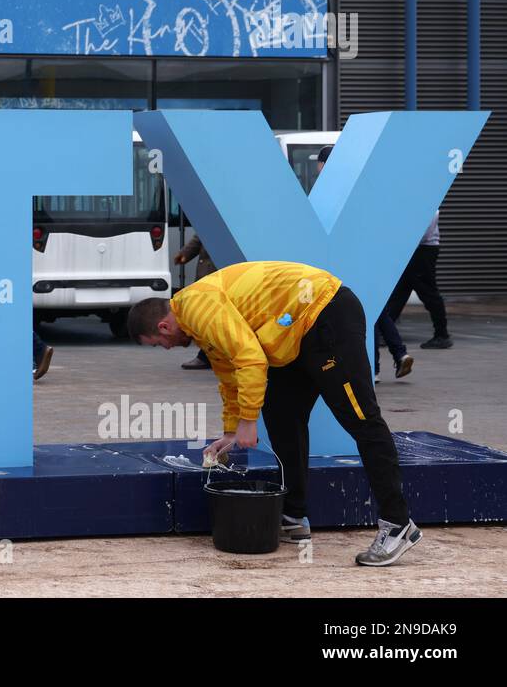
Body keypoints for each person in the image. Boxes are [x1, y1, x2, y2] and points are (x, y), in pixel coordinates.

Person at [127, 260, 421, 567]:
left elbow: (251, 360)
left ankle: (398, 523)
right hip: (294, 333)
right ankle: (293, 516)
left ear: (163, 326)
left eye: (159, 343)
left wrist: (248, 422)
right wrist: (231, 432)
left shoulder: (196, 307)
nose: (167, 348)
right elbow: (230, 374)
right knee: (282, 417)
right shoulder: (196, 320)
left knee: (362, 420)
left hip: (325, 311)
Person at [315, 144, 413, 380]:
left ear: (323, 165)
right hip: (369, 256)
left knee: (364, 310)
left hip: (346, 259)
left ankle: (376, 367)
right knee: (374, 308)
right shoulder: (356, 188)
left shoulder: (328, 190)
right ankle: (397, 355)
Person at [395, 213, 451, 350]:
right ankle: (385, 332)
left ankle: (442, 335)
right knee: (399, 292)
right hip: (414, 249)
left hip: (423, 250)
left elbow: (424, 234)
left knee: (428, 292)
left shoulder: (429, 206)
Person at [174, 233, 215, 371]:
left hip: (220, 275)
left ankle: (207, 356)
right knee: (207, 317)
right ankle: (207, 356)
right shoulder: (215, 219)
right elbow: (200, 236)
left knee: (211, 318)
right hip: (208, 276)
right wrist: (185, 253)